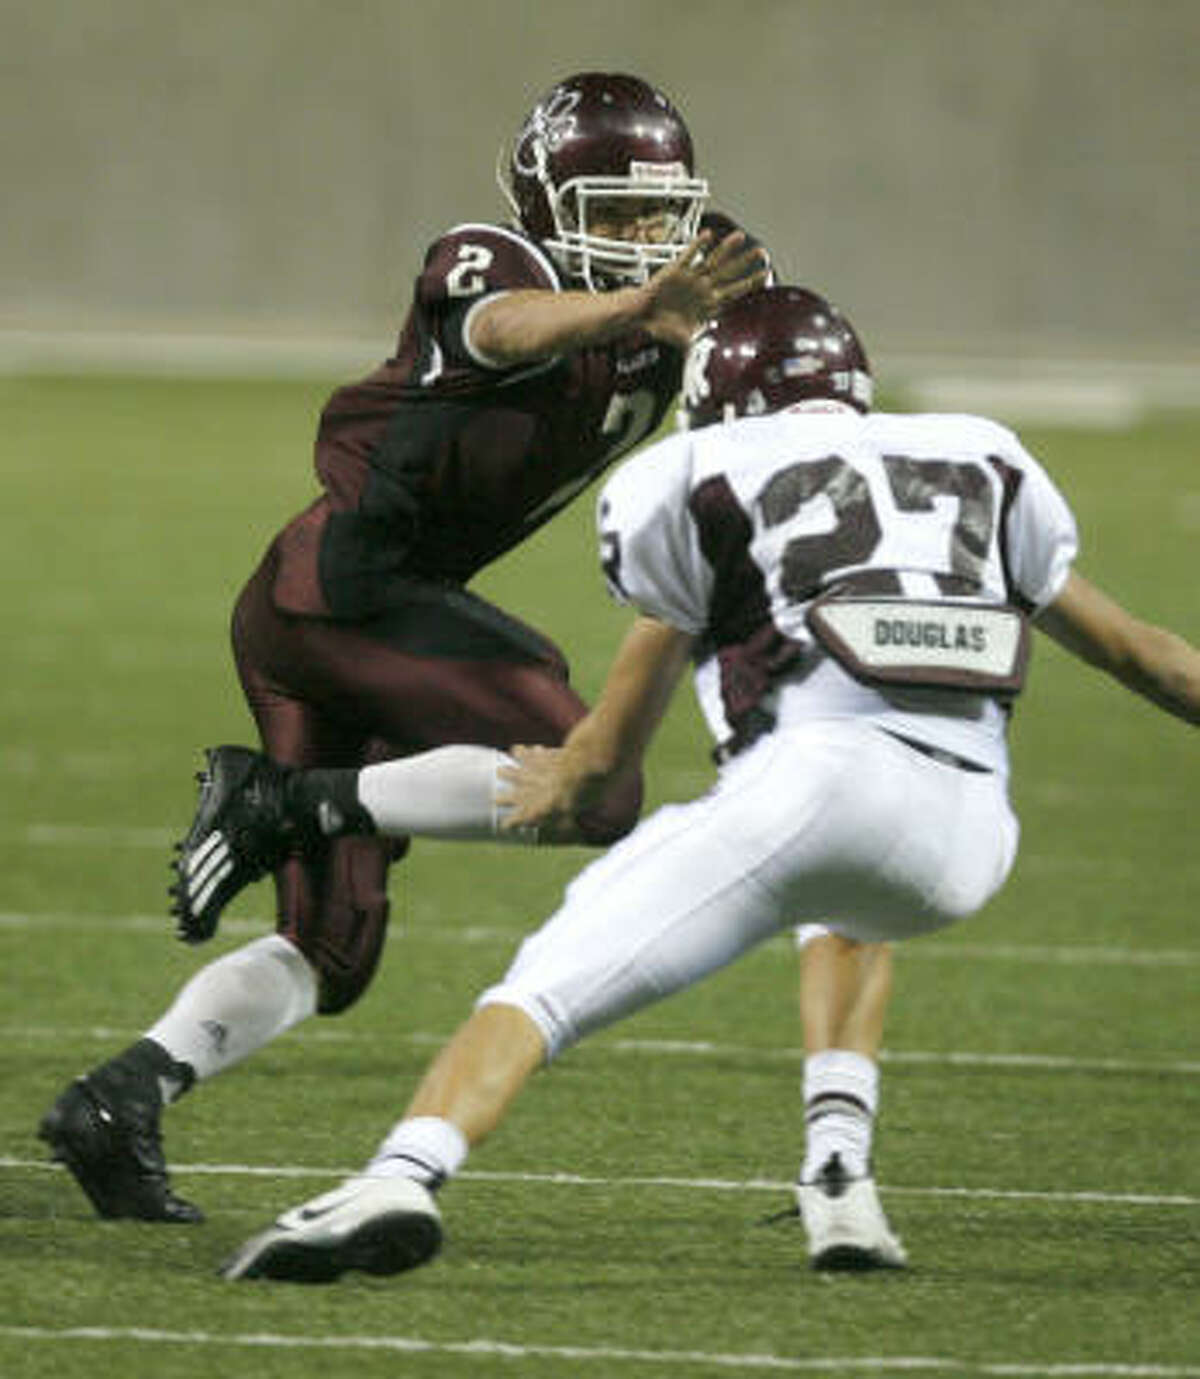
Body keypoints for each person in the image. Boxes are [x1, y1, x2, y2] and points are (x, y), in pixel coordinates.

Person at [212, 284, 1200, 1284]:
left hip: (817, 789)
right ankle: (837, 1170)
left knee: (550, 977)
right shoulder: (981, 457)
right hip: (972, 837)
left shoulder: (705, 469)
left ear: (718, 395)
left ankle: (399, 1174)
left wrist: (579, 775)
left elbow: (622, 722)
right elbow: (1147, 655)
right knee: (848, 900)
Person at [36, 70, 776, 1225]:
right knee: (595, 779)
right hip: (337, 594)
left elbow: (769, 391)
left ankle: (118, 1096)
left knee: (333, 948)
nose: (645, 240)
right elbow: (500, 328)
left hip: (370, 612)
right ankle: (287, 799)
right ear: (546, 199)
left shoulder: (693, 285)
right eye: (616, 213)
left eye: (657, 213)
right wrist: (640, 311)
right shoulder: (492, 259)